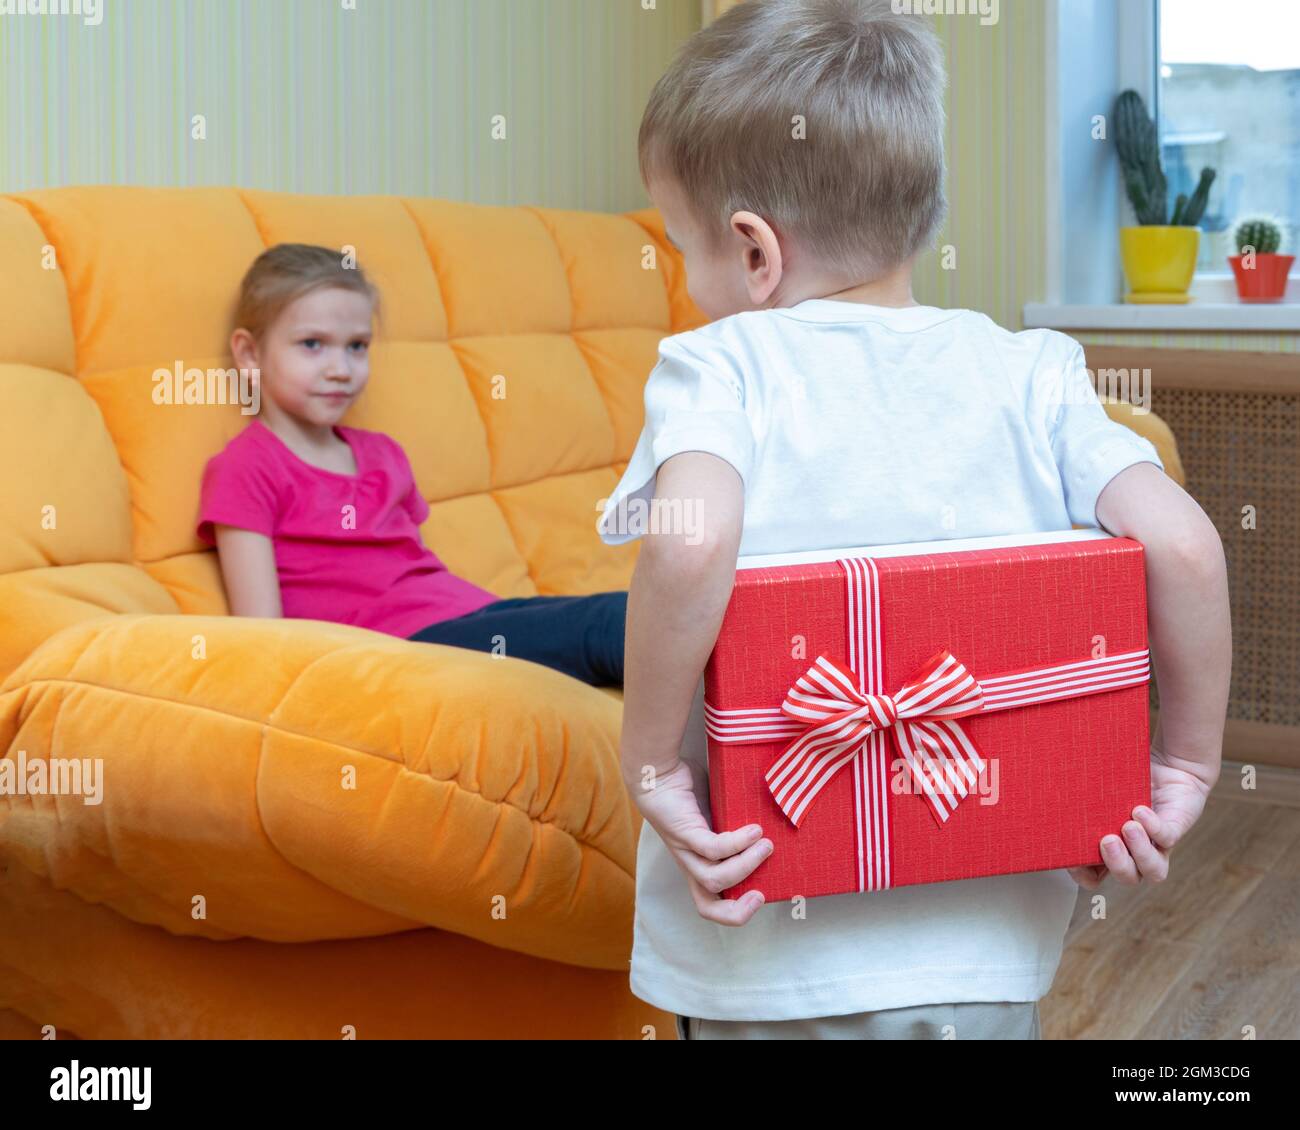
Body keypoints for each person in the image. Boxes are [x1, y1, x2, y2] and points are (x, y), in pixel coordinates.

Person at [599, 0, 1230, 1040]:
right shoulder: (1033, 370)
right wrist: (1186, 764)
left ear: (754, 251)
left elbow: (691, 540)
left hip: (765, 951)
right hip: (982, 950)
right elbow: (1184, 547)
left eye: (679, 247)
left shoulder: (720, 365)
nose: (685, 276)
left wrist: (651, 763)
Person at [196, 243, 626, 687]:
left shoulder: (383, 453)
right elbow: (261, 633)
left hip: (469, 615)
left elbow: (413, 565)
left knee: (644, 610)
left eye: (357, 346)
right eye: (312, 344)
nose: (341, 368)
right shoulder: (247, 467)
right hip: (403, 647)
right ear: (249, 355)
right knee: (615, 622)